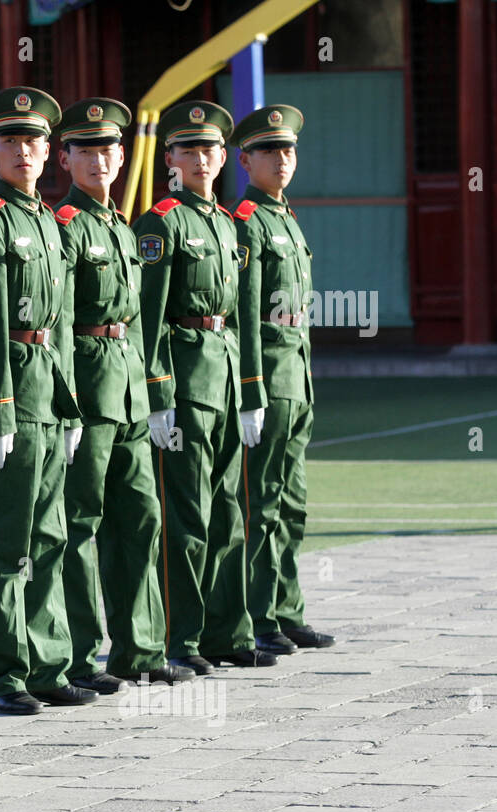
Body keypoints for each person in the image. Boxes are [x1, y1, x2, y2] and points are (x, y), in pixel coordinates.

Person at [132, 100, 278, 671]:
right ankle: (180, 639)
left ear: (224, 157)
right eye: (188, 149)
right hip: (187, 385)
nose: (200, 158)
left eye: (210, 148)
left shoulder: (226, 223)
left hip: (223, 382)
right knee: (186, 517)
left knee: (228, 513)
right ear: (170, 157)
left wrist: (251, 392)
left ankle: (227, 631)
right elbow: (151, 317)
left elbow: (240, 316)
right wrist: (158, 395)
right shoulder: (161, 221)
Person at [54, 97, 194, 688]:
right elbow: (58, 322)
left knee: (141, 519)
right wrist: (65, 406)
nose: (100, 160)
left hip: (130, 388)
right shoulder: (65, 225)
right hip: (88, 391)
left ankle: (140, 649)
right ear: (66, 159)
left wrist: (156, 392)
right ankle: (81, 654)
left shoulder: (120, 225)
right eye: (86, 150)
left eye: (109, 149)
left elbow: (140, 319)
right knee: (81, 522)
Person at [0, 87, 93, 715]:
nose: (23, 150)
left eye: (33, 140)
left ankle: (48, 663)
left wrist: (69, 406)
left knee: (50, 536)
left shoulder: (46, 219)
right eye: (9, 140)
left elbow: (62, 322)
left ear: (49, 150)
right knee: (6, 543)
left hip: (47, 393)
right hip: (12, 398)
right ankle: (1, 673)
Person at [230, 104, 335, 653]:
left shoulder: (286, 219)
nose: (281, 158)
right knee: (260, 500)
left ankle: (286, 608)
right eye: (269, 150)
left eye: (288, 149)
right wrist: (250, 390)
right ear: (245, 160)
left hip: (296, 373)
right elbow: (246, 313)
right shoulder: (246, 221)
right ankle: (257, 616)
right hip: (268, 376)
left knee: (291, 501)